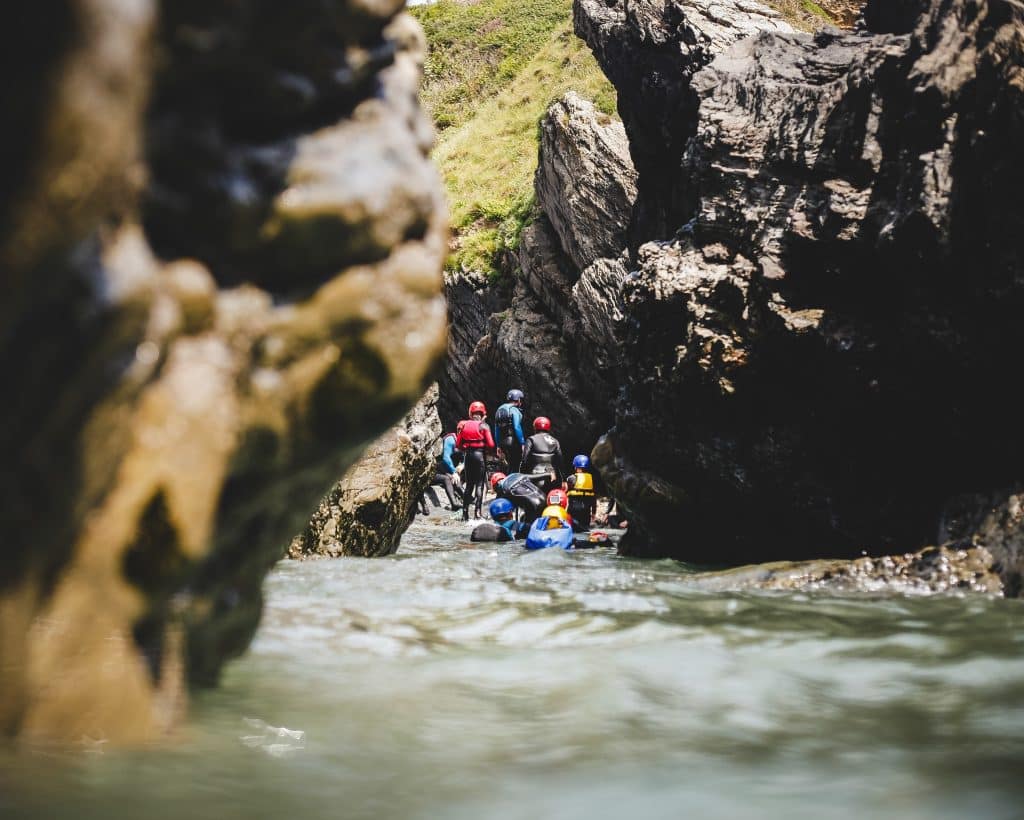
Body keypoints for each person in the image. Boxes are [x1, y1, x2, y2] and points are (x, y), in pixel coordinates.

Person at [455, 400, 495, 520]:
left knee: (469, 486)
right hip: (479, 456)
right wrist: (486, 450)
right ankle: (477, 513)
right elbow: (491, 444)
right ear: (483, 414)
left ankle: (464, 513)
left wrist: (466, 448)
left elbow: (458, 444)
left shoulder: (464, 425)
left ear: (470, 413)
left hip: (468, 456)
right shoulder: (484, 426)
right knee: (479, 485)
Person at [521, 416, 564, 494]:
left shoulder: (531, 439)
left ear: (535, 427)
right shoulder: (555, 441)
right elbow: (560, 462)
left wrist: (522, 475)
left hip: (535, 477)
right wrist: (563, 480)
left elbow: (524, 460)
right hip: (552, 477)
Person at [494, 389, 526, 473]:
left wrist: (498, 445)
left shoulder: (499, 409)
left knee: (509, 465)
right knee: (515, 465)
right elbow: (517, 427)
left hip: (502, 442)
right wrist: (522, 443)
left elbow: (496, 429)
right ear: (518, 400)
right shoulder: (515, 410)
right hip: (513, 442)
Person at [429, 432, 464, 510]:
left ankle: (466, 500)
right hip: (435, 471)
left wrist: (462, 465)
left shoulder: (465, 441)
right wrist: (453, 472)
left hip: (445, 470)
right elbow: (445, 458)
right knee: (447, 478)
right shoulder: (450, 440)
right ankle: (454, 504)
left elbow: (465, 457)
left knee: (454, 478)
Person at [566, 454, 597, 531]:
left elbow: (565, 494)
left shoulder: (571, 478)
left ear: (576, 467)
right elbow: (593, 498)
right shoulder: (592, 479)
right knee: (584, 528)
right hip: (586, 516)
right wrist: (593, 513)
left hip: (573, 513)